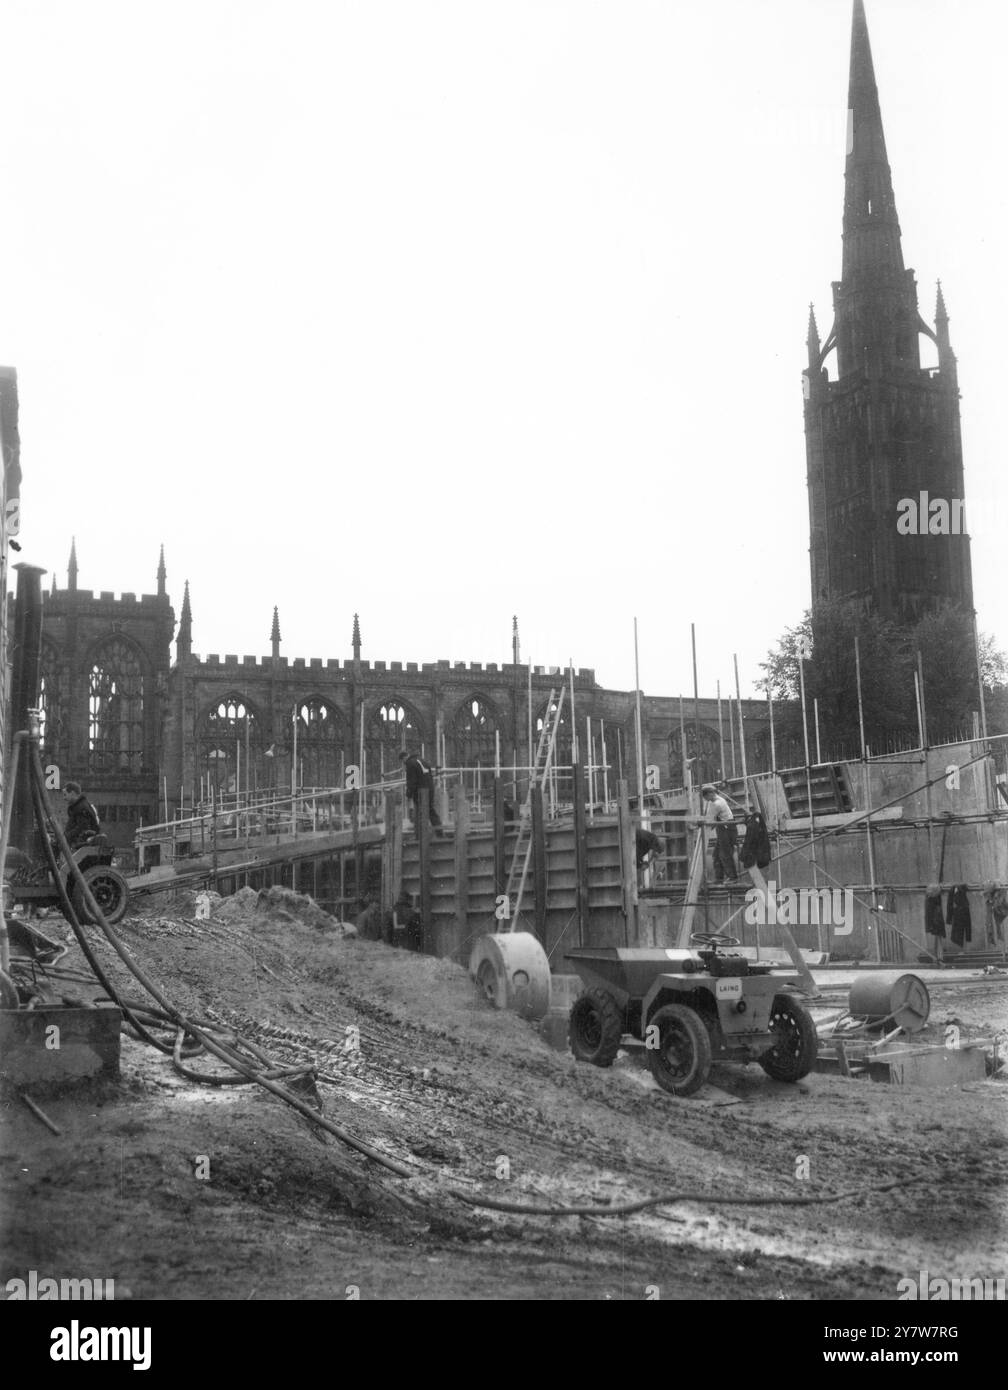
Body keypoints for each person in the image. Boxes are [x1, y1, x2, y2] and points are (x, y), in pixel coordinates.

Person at [701, 783, 739, 883]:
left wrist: (698, 824)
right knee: (716, 854)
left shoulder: (717, 803)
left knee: (725, 854)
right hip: (724, 827)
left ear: (709, 794)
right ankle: (719, 878)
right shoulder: (717, 800)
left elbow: (709, 821)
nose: (705, 799)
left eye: (705, 797)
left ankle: (733, 877)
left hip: (727, 829)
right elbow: (712, 821)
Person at [399, 751, 442, 828]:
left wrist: (409, 794)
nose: (403, 763)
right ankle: (438, 830)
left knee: (420, 811)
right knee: (430, 809)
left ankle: (421, 833)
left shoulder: (410, 763)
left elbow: (411, 781)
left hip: (420, 790)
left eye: (402, 761)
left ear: (404, 758)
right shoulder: (422, 760)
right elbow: (430, 775)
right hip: (430, 788)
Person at [62, 782, 100, 850]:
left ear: (72, 793)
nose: (63, 798)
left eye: (65, 795)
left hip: (80, 846)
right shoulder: (81, 806)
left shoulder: (81, 808)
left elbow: (81, 828)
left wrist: (66, 837)